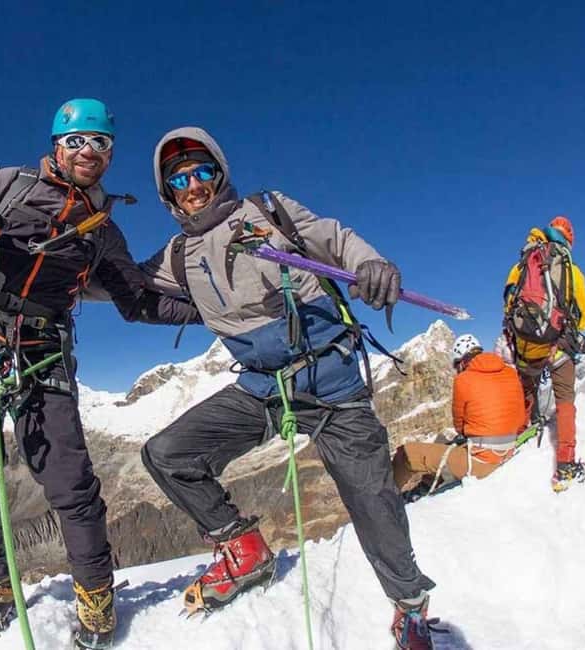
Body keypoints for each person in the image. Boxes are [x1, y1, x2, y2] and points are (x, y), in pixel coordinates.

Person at [139, 127, 436, 649]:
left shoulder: (267, 210)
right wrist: (62, 270)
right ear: (168, 192)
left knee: (373, 502)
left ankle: (410, 606)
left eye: (202, 170)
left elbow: (333, 238)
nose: (193, 184)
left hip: (331, 383)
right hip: (263, 388)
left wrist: (371, 264)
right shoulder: (176, 256)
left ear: (220, 173)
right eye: (179, 177)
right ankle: (243, 548)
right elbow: (127, 285)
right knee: (167, 454)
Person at [0, 99, 198, 648]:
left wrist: (212, 312)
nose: (88, 153)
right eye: (77, 141)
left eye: (100, 145)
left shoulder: (102, 231)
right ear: (56, 143)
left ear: (110, 155)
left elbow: (137, 301)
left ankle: (97, 599)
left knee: (71, 479)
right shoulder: (4, 184)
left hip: (42, 346)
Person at [503, 216, 585, 492]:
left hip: (526, 345)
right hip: (559, 347)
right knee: (565, 399)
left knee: (525, 389)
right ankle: (565, 467)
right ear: (568, 241)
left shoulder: (522, 264)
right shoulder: (572, 271)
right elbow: (584, 317)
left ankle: (520, 434)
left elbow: (508, 301)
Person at [392, 334, 525, 500]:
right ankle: (423, 489)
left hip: (483, 462)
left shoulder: (464, 379)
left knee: (407, 453)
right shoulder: (511, 373)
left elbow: (460, 426)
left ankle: (386, 500)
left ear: (461, 362)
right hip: (508, 450)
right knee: (442, 443)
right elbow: (521, 420)